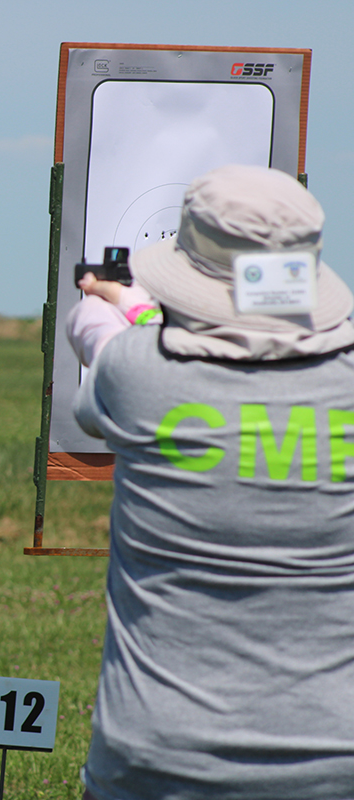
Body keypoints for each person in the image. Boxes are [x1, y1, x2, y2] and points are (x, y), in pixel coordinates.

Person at [66, 163, 354, 800]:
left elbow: (105, 338)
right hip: (337, 764)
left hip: (155, 764)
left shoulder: (137, 374)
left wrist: (107, 300)